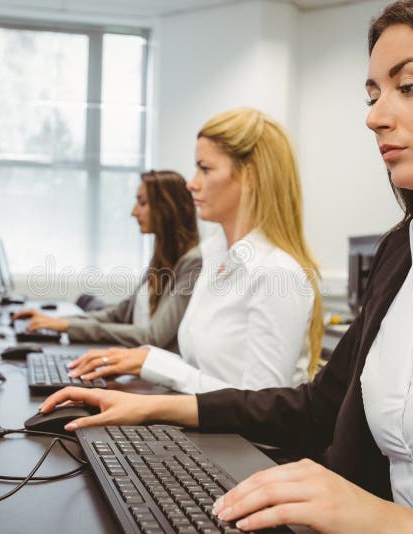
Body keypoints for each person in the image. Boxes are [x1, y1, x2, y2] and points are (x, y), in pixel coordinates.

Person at [38, 0, 413, 531]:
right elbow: (318, 408)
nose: (374, 117)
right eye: (372, 95)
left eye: (407, 87)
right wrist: (155, 409)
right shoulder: (404, 251)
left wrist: (388, 522)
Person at [67, 108, 325, 393]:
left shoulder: (277, 272)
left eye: (205, 169)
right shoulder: (214, 257)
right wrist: (138, 362)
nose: (192, 183)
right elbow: (198, 370)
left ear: (251, 176)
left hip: (246, 438)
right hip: (209, 431)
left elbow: (261, 406)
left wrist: (151, 363)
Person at [14, 170, 201, 353]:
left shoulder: (192, 264)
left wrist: (66, 326)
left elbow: (153, 336)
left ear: (168, 208)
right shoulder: (161, 260)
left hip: (158, 376)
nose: (134, 212)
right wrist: (58, 321)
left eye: (143, 203)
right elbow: (119, 314)